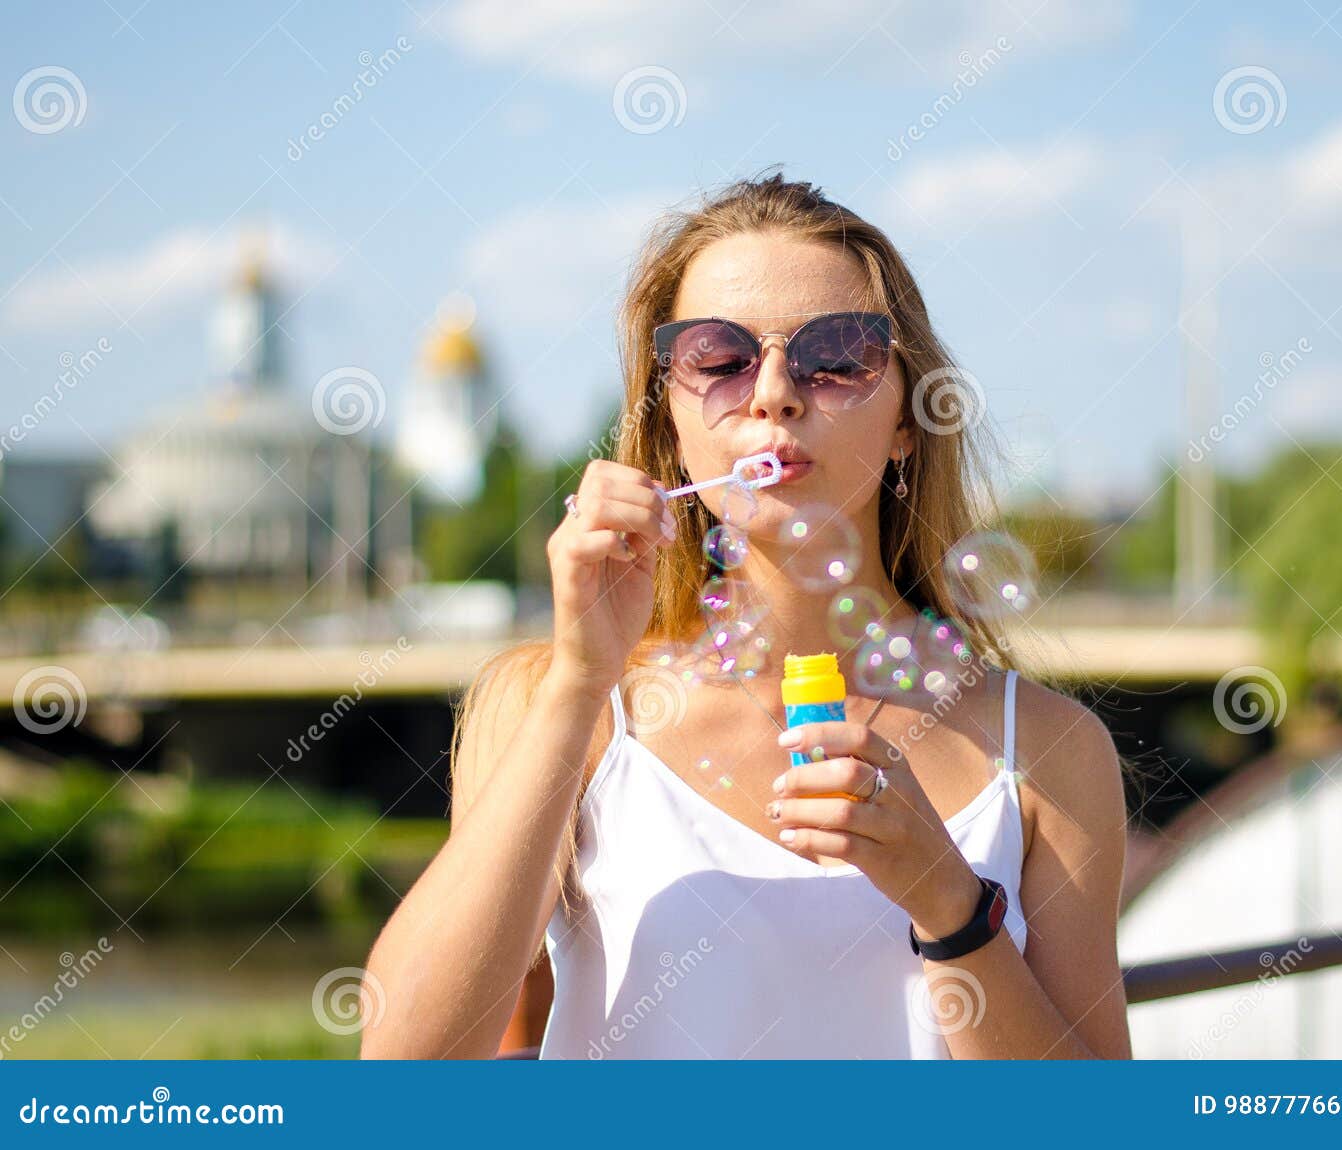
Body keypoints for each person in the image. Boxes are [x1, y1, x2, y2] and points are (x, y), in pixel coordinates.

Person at [361, 172, 1132, 1059]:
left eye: (837, 355)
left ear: (907, 423)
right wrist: (581, 682)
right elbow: (406, 1061)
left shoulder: (1042, 750)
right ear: (671, 423)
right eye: (718, 359)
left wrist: (951, 907)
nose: (772, 392)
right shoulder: (559, 704)